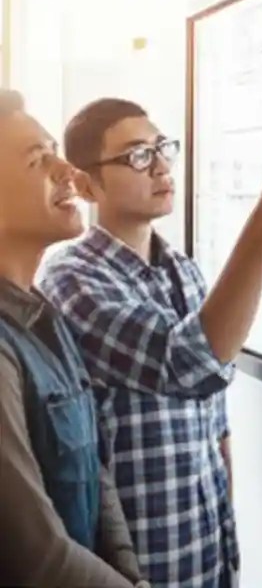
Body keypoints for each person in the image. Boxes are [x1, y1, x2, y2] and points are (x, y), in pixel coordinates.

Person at [39, 97, 262, 588]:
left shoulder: (183, 269)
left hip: (208, 553)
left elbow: (216, 422)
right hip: (143, 564)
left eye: (161, 149)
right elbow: (188, 364)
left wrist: (226, 528)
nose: (160, 167)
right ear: (87, 185)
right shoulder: (72, 278)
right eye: (136, 155)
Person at [0, 89, 148, 588]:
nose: (68, 171)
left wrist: (131, 574)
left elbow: (93, 467)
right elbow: (37, 556)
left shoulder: (46, 318)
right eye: (39, 159)